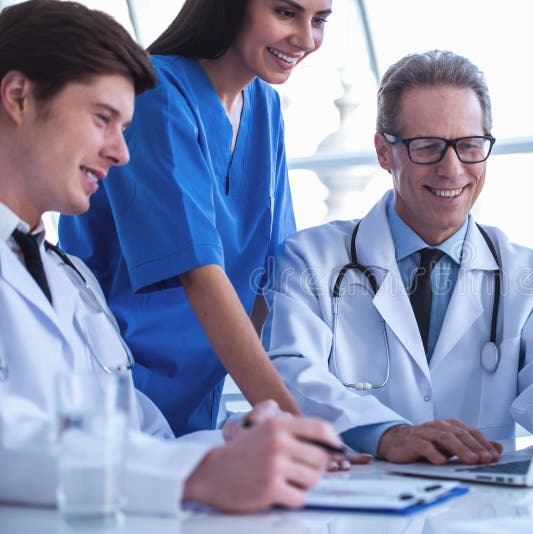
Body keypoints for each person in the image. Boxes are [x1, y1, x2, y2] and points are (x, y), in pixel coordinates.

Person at [0, 0, 340, 515]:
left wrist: (254, 445)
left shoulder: (69, 281)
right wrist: (205, 469)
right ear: (18, 97)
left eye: (320, 20)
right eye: (102, 119)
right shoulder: (167, 95)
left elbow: (138, 431)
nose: (122, 153)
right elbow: (17, 440)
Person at [261, 50, 533, 464]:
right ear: (384, 152)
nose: (452, 169)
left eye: (469, 146)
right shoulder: (310, 261)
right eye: (427, 147)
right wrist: (386, 433)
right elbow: (288, 376)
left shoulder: (531, 276)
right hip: (357, 497)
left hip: (482, 501)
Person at [58, 0, 334, 436]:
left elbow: (272, 281)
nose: (305, 39)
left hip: (198, 402)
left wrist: (301, 412)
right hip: (116, 386)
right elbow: (198, 272)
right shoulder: (155, 93)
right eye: (285, 12)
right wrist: (296, 425)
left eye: (319, 20)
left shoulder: (265, 106)